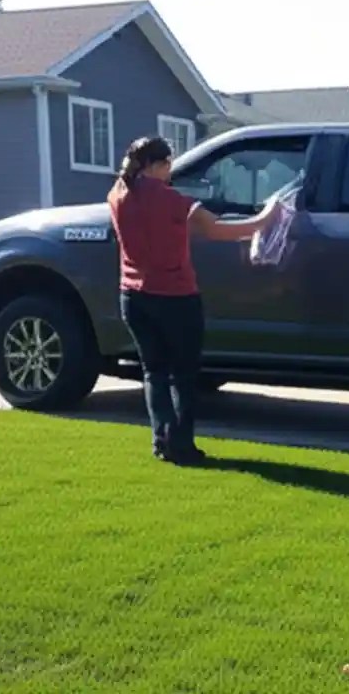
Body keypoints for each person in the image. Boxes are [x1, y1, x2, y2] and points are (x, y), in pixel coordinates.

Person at [108, 136, 279, 464]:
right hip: (175, 297)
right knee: (183, 376)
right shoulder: (173, 201)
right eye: (168, 164)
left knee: (153, 373)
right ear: (159, 165)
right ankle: (183, 446)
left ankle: (162, 441)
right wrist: (268, 215)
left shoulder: (116, 195)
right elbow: (223, 231)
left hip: (132, 295)